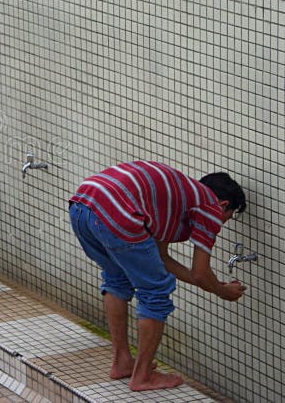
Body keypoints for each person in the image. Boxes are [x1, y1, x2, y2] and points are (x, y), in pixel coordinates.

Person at [68, 160, 247, 391]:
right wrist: (222, 291)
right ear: (224, 205)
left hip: (82, 205)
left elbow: (162, 258)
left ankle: (122, 361)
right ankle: (142, 376)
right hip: (114, 212)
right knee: (156, 293)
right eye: (227, 218)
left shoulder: (176, 198)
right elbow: (201, 273)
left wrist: (212, 284)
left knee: (117, 279)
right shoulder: (211, 206)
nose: (219, 224)